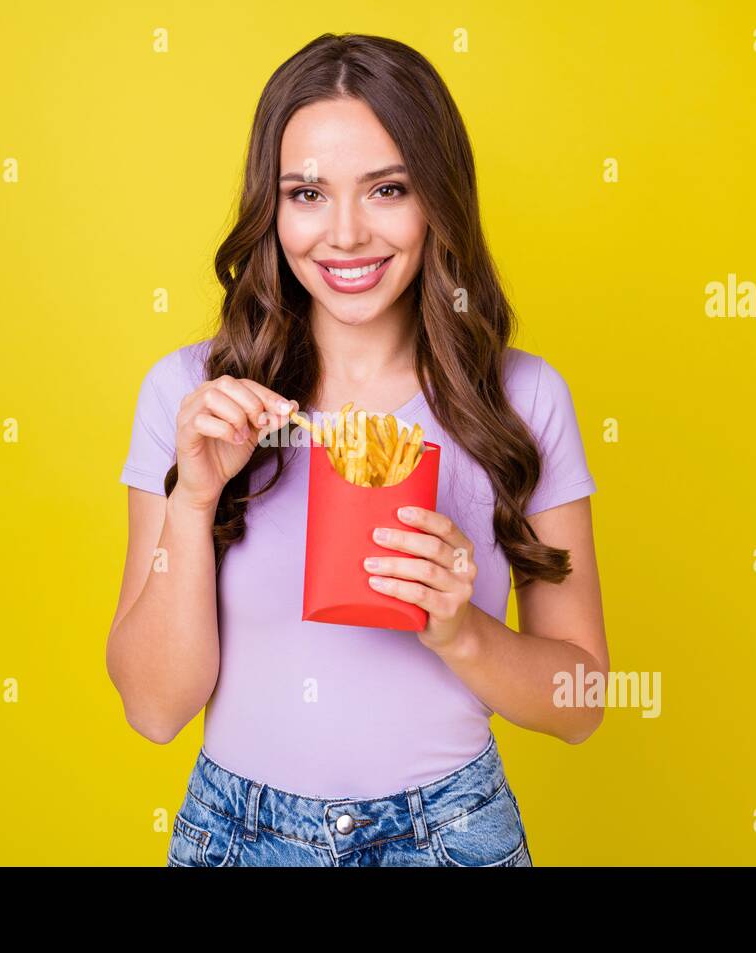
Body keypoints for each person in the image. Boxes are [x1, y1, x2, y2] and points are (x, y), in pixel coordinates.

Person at [107, 33, 607, 867]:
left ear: (437, 199)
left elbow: (583, 703)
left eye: (386, 189)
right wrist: (192, 503)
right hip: (237, 837)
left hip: (452, 836)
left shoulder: (521, 399)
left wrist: (461, 631)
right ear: (272, 209)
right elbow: (155, 711)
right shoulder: (190, 397)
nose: (344, 234)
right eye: (306, 193)